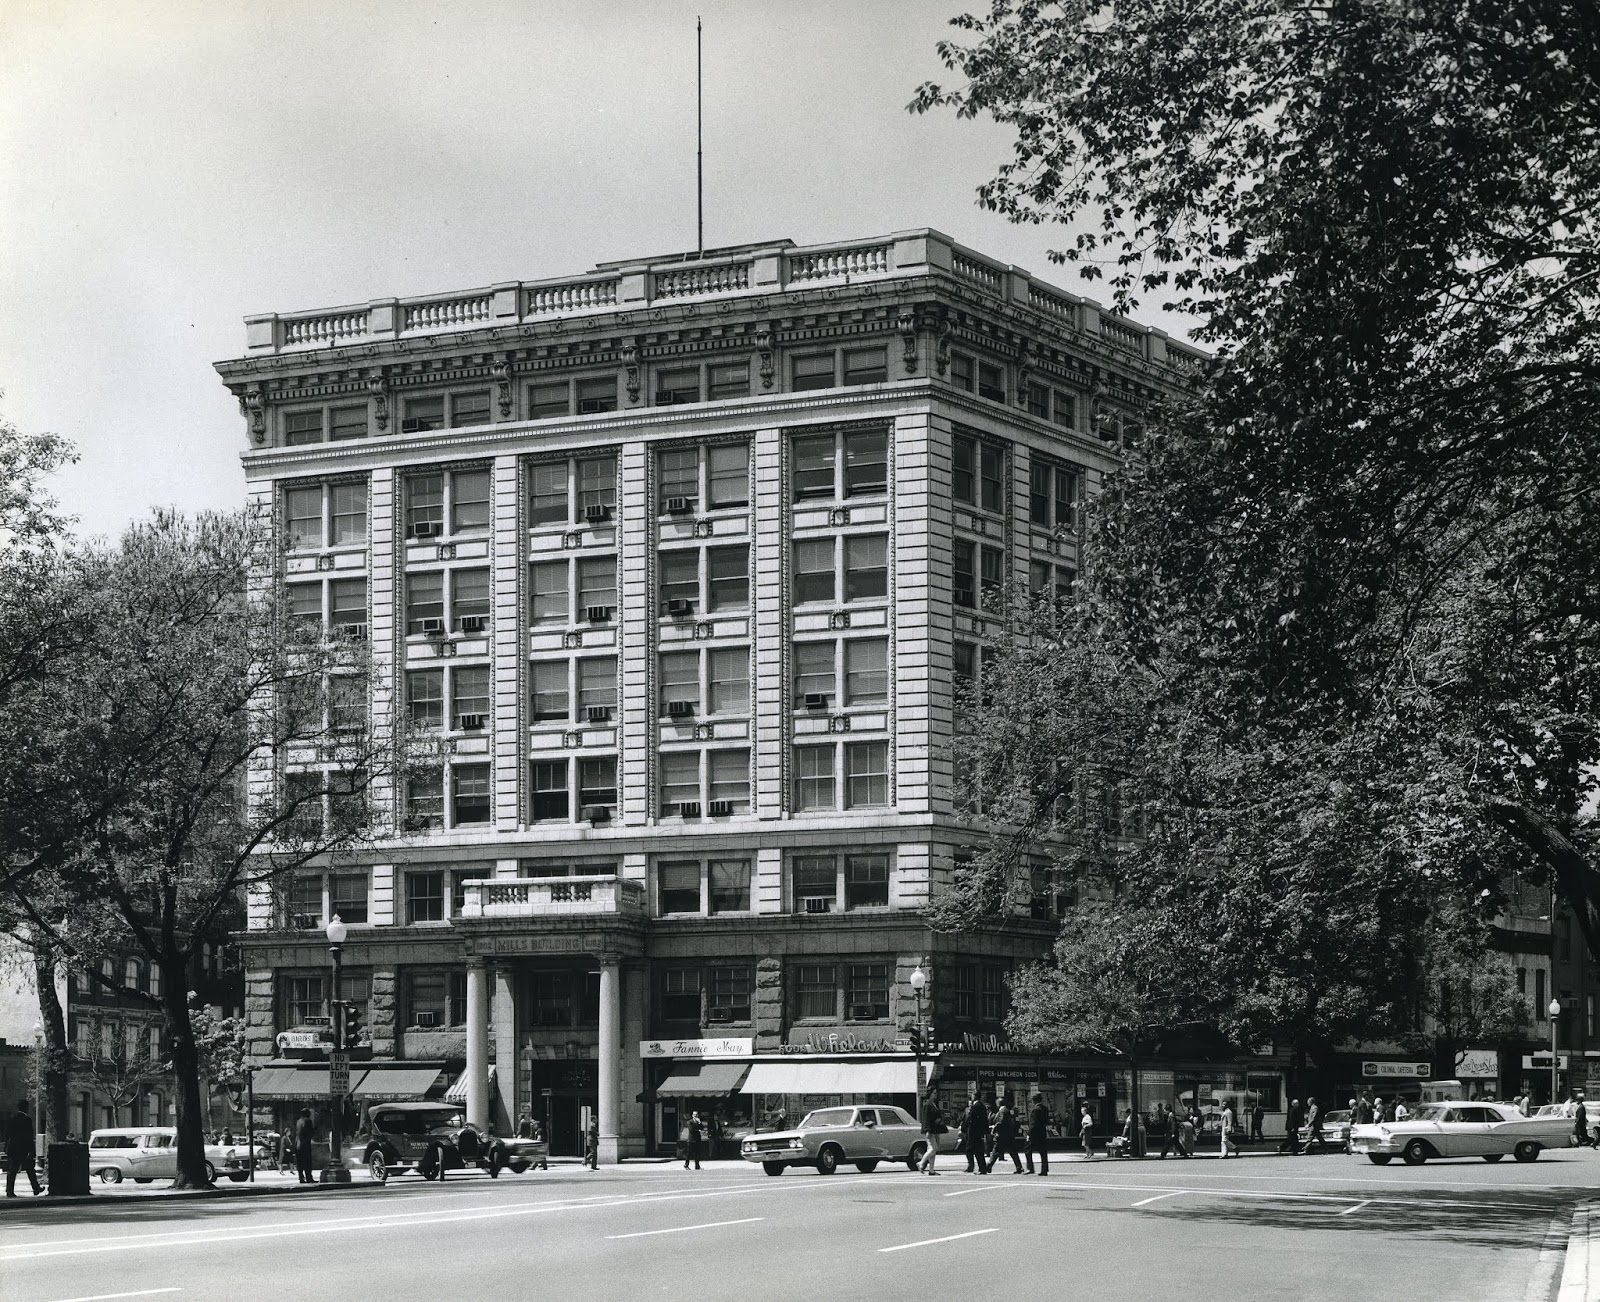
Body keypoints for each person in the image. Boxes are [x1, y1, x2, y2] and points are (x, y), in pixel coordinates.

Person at [4, 1100, 41, 1197]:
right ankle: (36, 1188)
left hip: (13, 1148)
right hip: (23, 1149)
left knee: (12, 1171)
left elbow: (7, 1134)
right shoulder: (27, 1120)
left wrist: (7, 1148)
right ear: (26, 1108)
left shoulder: (12, 1119)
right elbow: (29, 1137)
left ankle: (9, 1190)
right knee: (30, 1170)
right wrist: (32, 1151)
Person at [990, 1093, 1024, 1174]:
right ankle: (1019, 1167)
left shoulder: (1002, 1111)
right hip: (1008, 1135)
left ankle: (989, 1166)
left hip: (1002, 1135)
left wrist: (995, 1128)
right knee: (1013, 1152)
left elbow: (1001, 1122)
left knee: (995, 1151)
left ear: (999, 1104)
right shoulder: (1008, 1111)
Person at [963, 1095, 991, 1174]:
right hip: (978, 1132)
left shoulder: (976, 1106)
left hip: (974, 1132)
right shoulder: (981, 1106)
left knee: (972, 1150)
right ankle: (980, 1167)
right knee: (977, 1150)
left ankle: (978, 1168)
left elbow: (972, 1120)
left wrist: (967, 1130)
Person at [918, 1093, 944, 1175]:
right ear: (930, 1094)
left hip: (935, 1129)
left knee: (933, 1150)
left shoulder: (933, 1104)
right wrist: (927, 1130)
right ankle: (921, 1163)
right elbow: (926, 1119)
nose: (936, 1095)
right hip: (930, 1130)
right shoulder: (927, 1105)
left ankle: (931, 1170)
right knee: (933, 1148)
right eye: (934, 1093)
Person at [1026, 1093, 1051, 1175]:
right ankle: (1044, 1169)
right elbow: (1046, 1121)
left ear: (1034, 1100)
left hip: (1034, 1134)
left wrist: (1029, 1134)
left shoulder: (1035, 1110)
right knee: (1043, 1152)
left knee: (1028, 1150)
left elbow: (1033, 1124)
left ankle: (1030, 1168)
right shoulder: (1045, 1109)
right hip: (1042, 1133)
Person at [293, 1107, 315, 1184]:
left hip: (297, 1143)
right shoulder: (308, 1121)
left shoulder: (298, 1121)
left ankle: (301, 1177)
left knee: (300, 1162)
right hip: (305, 1144)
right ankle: (308, 1177)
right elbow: (311, 1132)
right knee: (307, 1162)